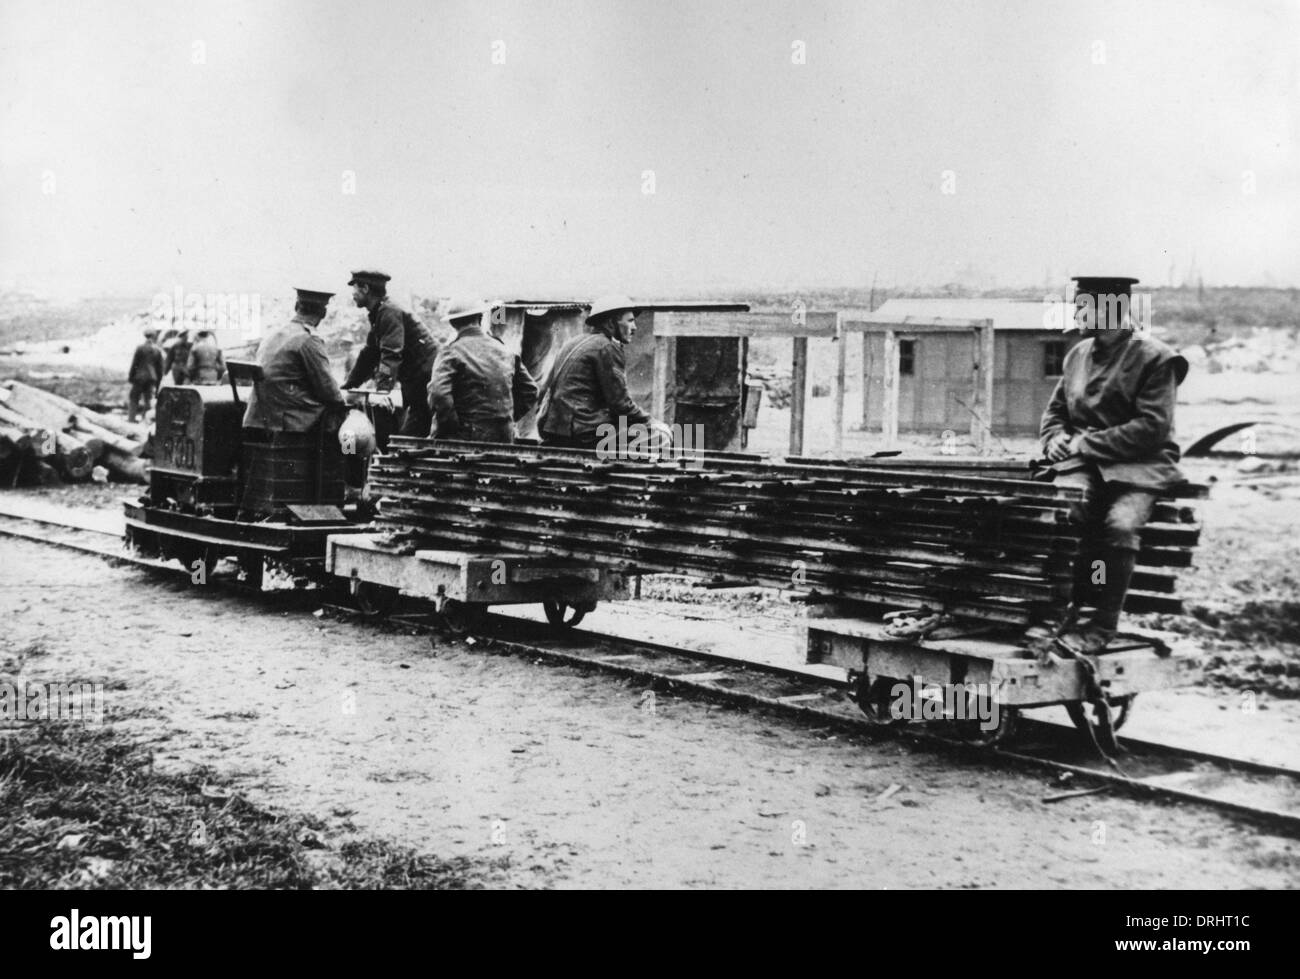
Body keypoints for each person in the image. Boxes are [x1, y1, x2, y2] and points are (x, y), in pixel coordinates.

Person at [1038, 275, 1189, 656]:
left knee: (1119, 526)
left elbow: (1152, 427)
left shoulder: (1157, 358)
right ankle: (1068, 609)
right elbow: (1056, 413)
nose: (1077, 313)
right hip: (1085, 463)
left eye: (1083, 305)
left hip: (1140, 465)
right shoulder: (1078, 355)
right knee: (1067, 515)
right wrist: (1055, 439)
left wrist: (1085, 442)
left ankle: (1102, 623)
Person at [538, 295, 670, 450]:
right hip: (585, 432)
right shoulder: (606, 347)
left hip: (554, 430)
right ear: (610, 323)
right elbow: (621, 405)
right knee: (661, 435)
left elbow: (544, 389)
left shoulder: (572, 343)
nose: (635, 328)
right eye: (630, 321)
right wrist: (652, 422)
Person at [343, 270, 439, 438]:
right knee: (413, 430)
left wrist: (382, 392)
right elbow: (370, 353)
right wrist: (350, 384)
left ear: (365, 288)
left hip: (424, 380)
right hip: (417, 381)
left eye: (355, 288)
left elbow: (391, 354)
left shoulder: (389, 312)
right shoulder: (380, 312)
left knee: (411, 434)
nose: (353, 294)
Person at [427, 298, 539, 442]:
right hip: (504, 436)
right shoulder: (505, 350)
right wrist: (504, 419)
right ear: (480, 317)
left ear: (452, 323)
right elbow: (530, 390)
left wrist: (451, 428)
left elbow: (438, 393)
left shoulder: (451, 352)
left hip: (465, 439)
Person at [127, 328, 164, 422]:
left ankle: (131, 419)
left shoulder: (140, 348)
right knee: (148, 399)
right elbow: (160, 369)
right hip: (152, 378)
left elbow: (135, 364)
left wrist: (131, 377)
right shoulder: (157, 350)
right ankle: (145, 419)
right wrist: (158, 383)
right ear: (154, 337)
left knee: (134, 397)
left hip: (139, 377)